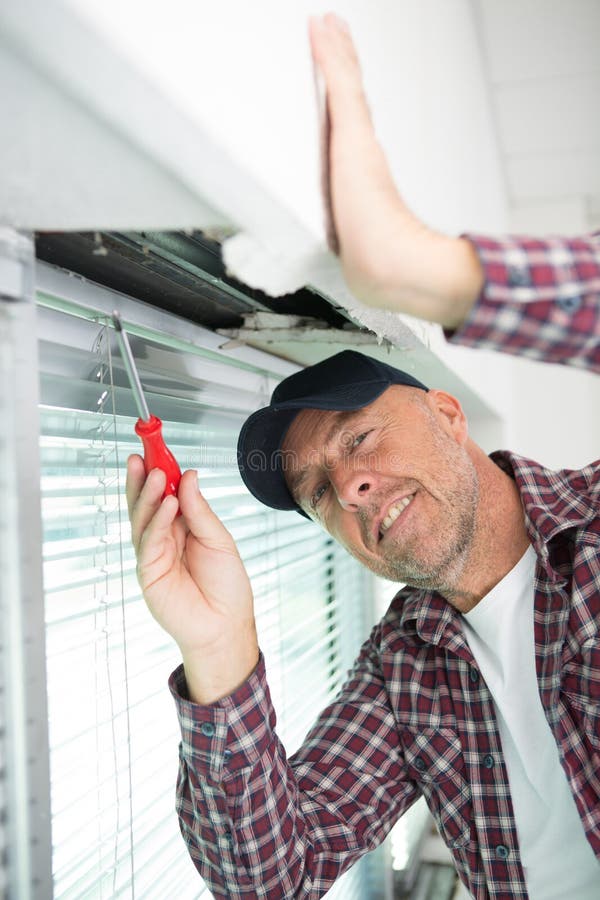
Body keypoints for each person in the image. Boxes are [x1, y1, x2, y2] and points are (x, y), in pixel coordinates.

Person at [126, 13, 600, 900]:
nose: (348, 487)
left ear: (448, 414)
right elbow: (273, 876)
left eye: (359, 438)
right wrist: (218, 646)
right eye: (316, 492)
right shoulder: (402, 667)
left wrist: (427, 272)